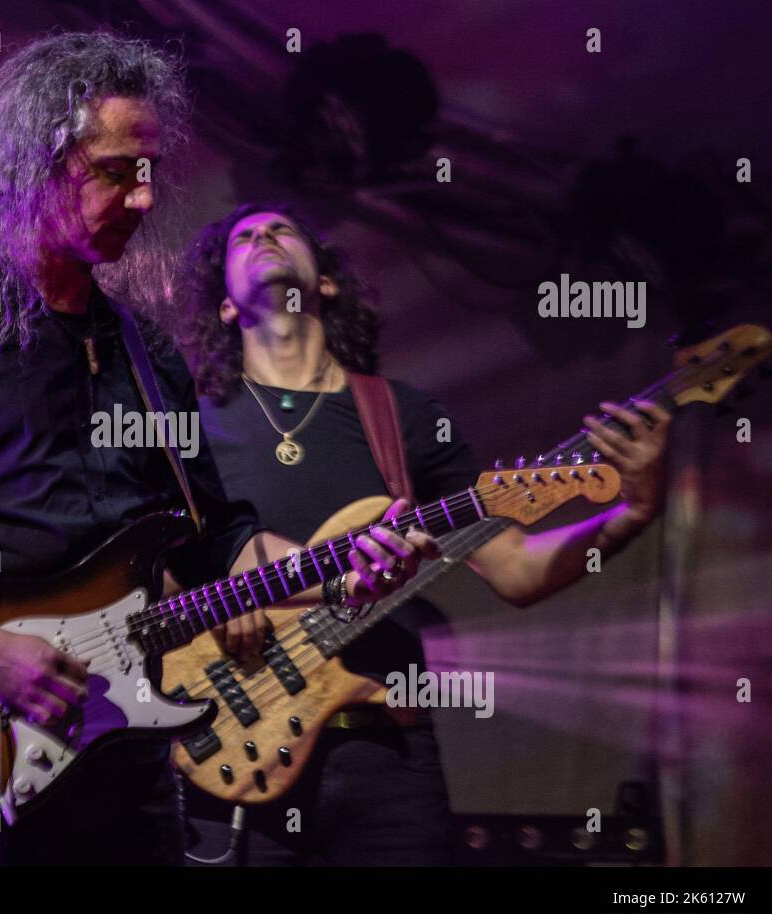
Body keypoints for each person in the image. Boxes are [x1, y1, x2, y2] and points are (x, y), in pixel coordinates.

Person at [0, 37, 425, 866]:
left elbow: (217, 542)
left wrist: (340, 567)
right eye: (118, 170)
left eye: (151, 171)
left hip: (128, 758)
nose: (145, 195)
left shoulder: (147, 355)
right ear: (33, 165)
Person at [167, 203, 673, 865]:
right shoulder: (192, 427)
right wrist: (221, 602)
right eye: (244, 236)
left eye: (283, 229)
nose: (264, 236)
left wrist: (629, 515)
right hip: (235, 745)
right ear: (226, 306)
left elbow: (515, 569)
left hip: (385, 756)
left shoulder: (402, 415)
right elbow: (153, 577)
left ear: (326, 282)